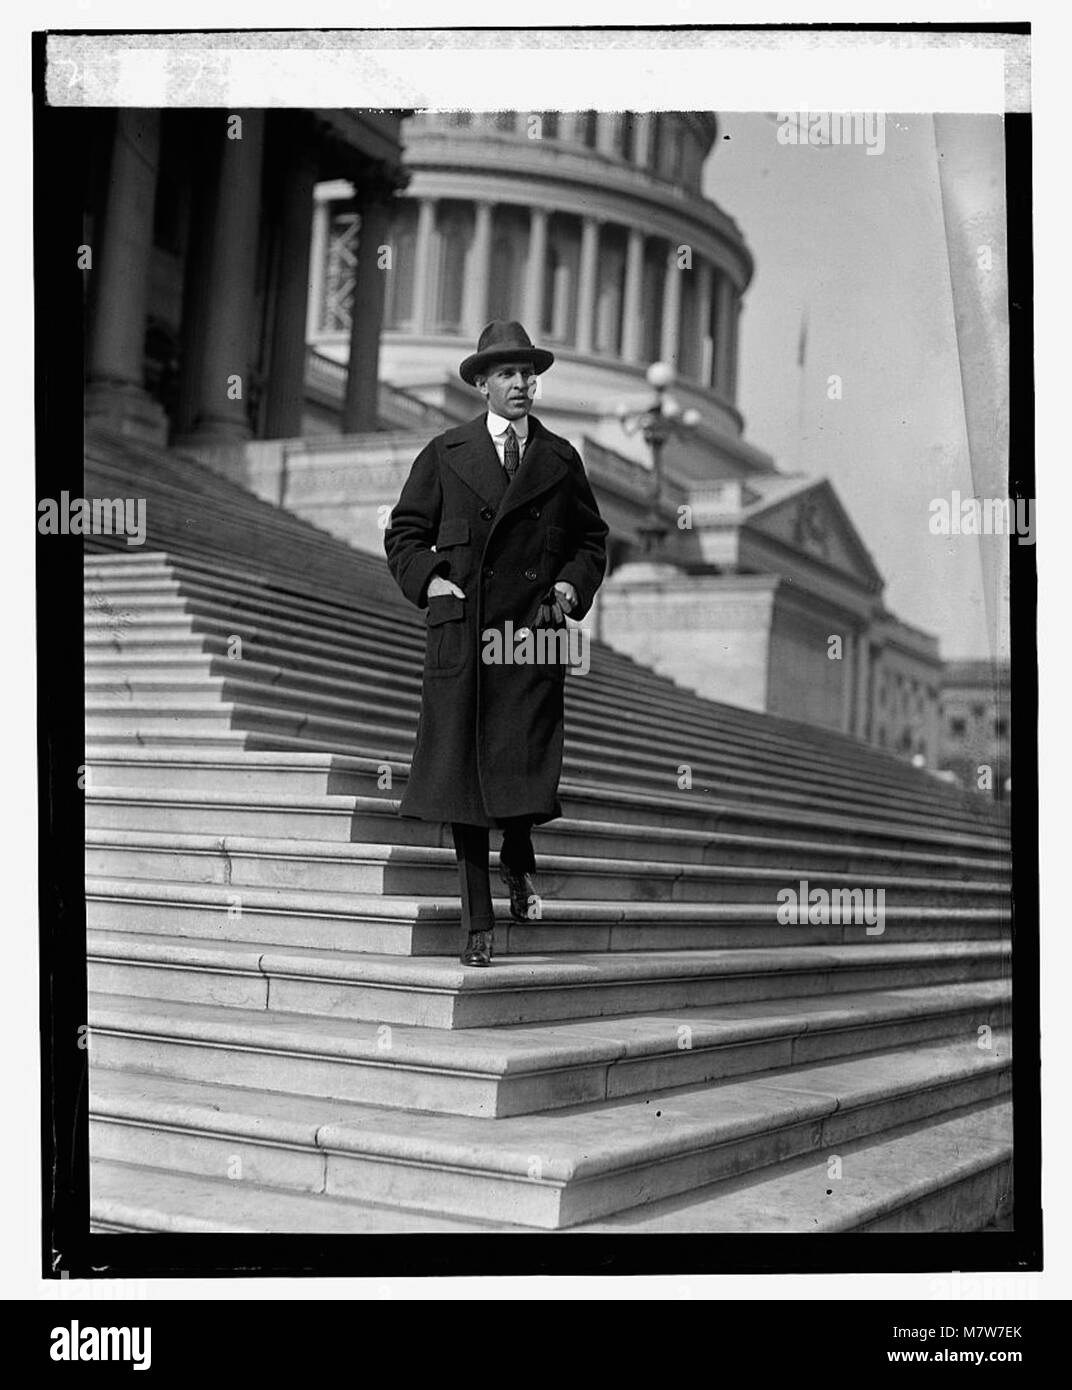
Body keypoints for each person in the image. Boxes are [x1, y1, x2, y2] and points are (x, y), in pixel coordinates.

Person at [384, 320, 609, 965]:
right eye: (508, 373)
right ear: (482, 383)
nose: (523, 384)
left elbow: (591, 541)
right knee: (465, 779)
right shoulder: (446, 453)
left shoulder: (560, 458)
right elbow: (404, 535)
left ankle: (518, 853)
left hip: (532, 636)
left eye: (529, 373)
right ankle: (476, 925)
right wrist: (430, 583)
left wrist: (569, 590)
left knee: (521, 767)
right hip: (466, 633)